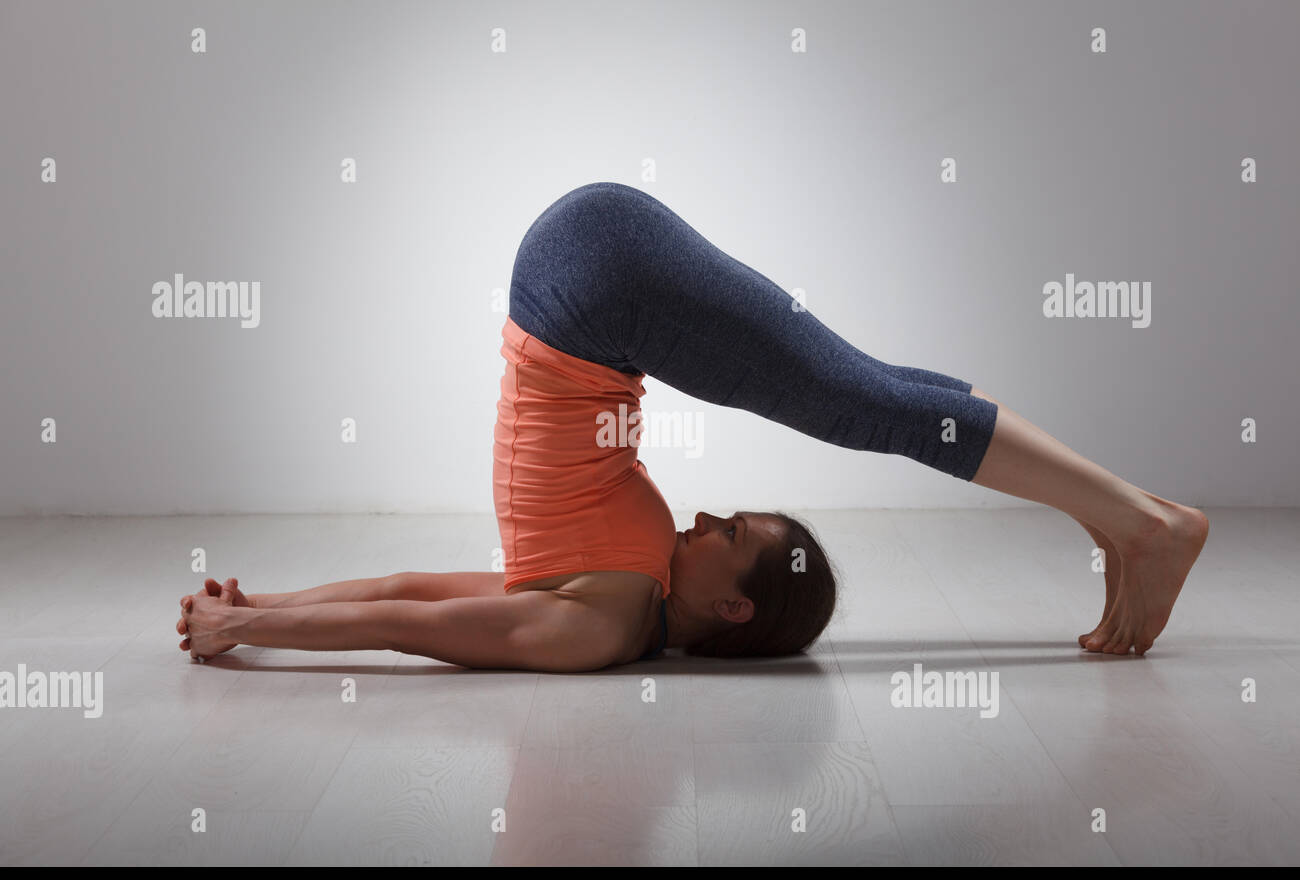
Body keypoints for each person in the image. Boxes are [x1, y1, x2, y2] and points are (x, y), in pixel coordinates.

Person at [178, 182, 1207, 670]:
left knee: (867, 395)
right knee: (867, 394)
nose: (708, 511)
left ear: (725, 607)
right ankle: (1128, 517)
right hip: (595, 285)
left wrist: (253, 612)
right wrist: (249, 620)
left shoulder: (600, 620)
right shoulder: (617, 596)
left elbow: (409, 608)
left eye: (731, 534)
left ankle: (1134, 520)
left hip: (594, 282)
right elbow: (408, 608)